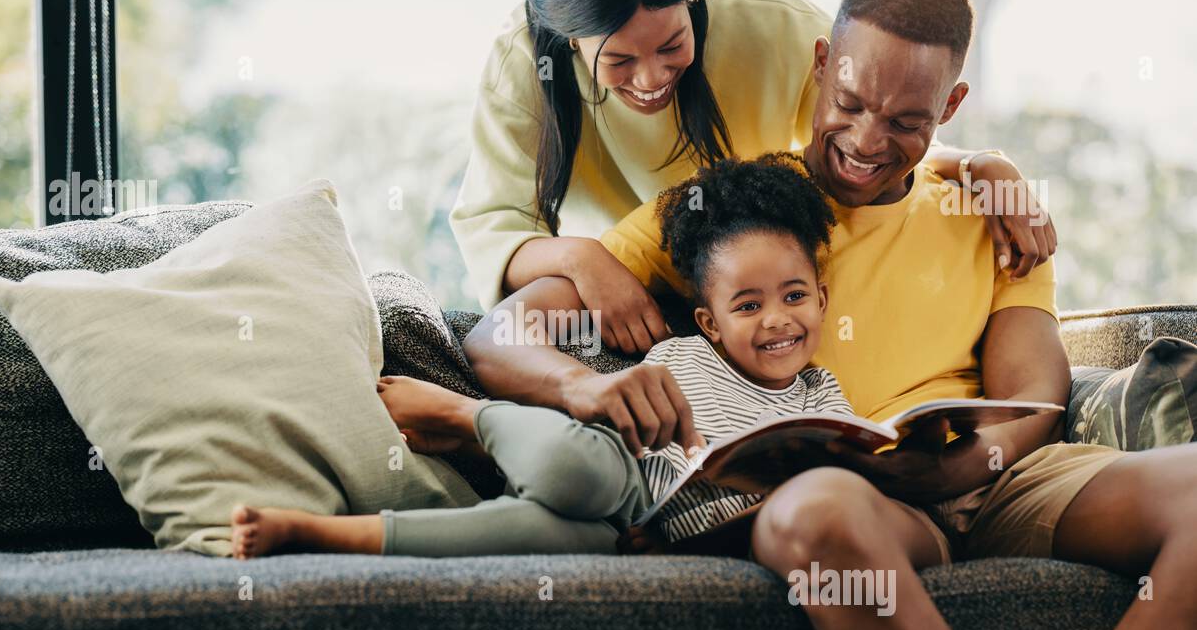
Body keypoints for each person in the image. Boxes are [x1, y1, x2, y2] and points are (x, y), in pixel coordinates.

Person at [462, 0, 1197, 630]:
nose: (867, 140)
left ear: (952, 104)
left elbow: (1032, 389)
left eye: (908, 121)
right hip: (859, 500)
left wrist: (977, 460)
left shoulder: (989, 205)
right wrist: (583, 384)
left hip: (994, 477)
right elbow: (498, 336)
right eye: (848, 102)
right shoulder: (731, 210)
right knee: (809, 516)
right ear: (821, 65)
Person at [450, 0, 1054, 355]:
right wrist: (584, 261)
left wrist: (978, 166)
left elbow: (871, 137)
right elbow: (495, 223)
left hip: (756, 282)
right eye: (619, 61)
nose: (652, 77)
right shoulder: (525, 63)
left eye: (671, 45)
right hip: (630, 274)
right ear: (570, 42)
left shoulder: (773, 23)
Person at [229, 161, 853, 559]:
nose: (776, 319)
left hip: (638, 536)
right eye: (748, 306)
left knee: (534, 539)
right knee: (579, 471)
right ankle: (468, 418)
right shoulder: (679, 357)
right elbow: (531, 358)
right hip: (620, 479)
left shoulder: (823, 396)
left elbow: (842, 493)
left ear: (821, 300)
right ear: (711, 324)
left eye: (794, 297)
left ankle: (316, 534)